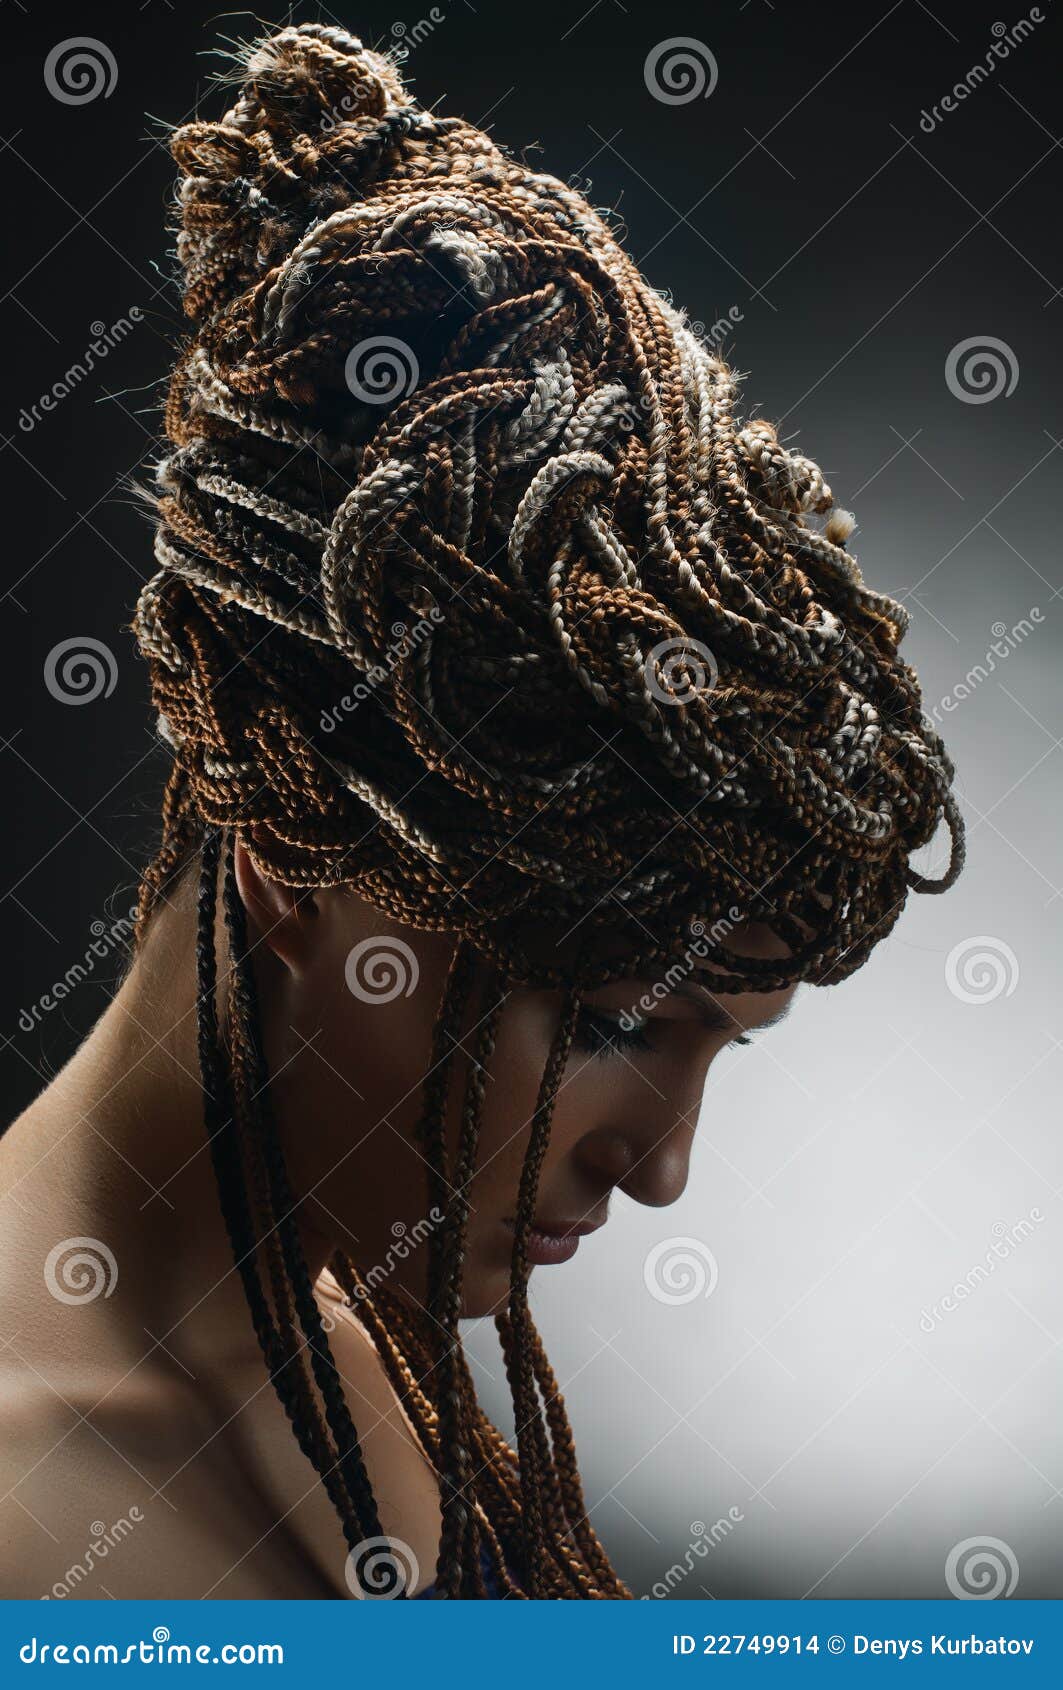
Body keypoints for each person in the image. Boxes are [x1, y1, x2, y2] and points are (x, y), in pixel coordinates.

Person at [0, 22, 963, 1600]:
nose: (660, 1174)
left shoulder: (374, 1386)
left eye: (713, 1041)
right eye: (608, 1023)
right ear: (295, 841)